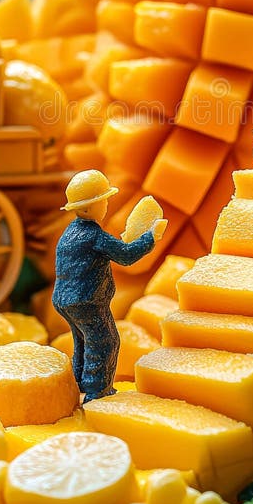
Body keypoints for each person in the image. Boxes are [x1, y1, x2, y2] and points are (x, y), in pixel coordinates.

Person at [53, 170, 163, 403]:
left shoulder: (70, 231)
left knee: (82, 340)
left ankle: (79, 384)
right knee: (105, 341)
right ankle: (96, 393)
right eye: (103, 201)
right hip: (86, 301)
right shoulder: (94, 236)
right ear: (88, 208)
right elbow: (126, 255)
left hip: (64, 300)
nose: (106, 206)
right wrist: (150, 238)